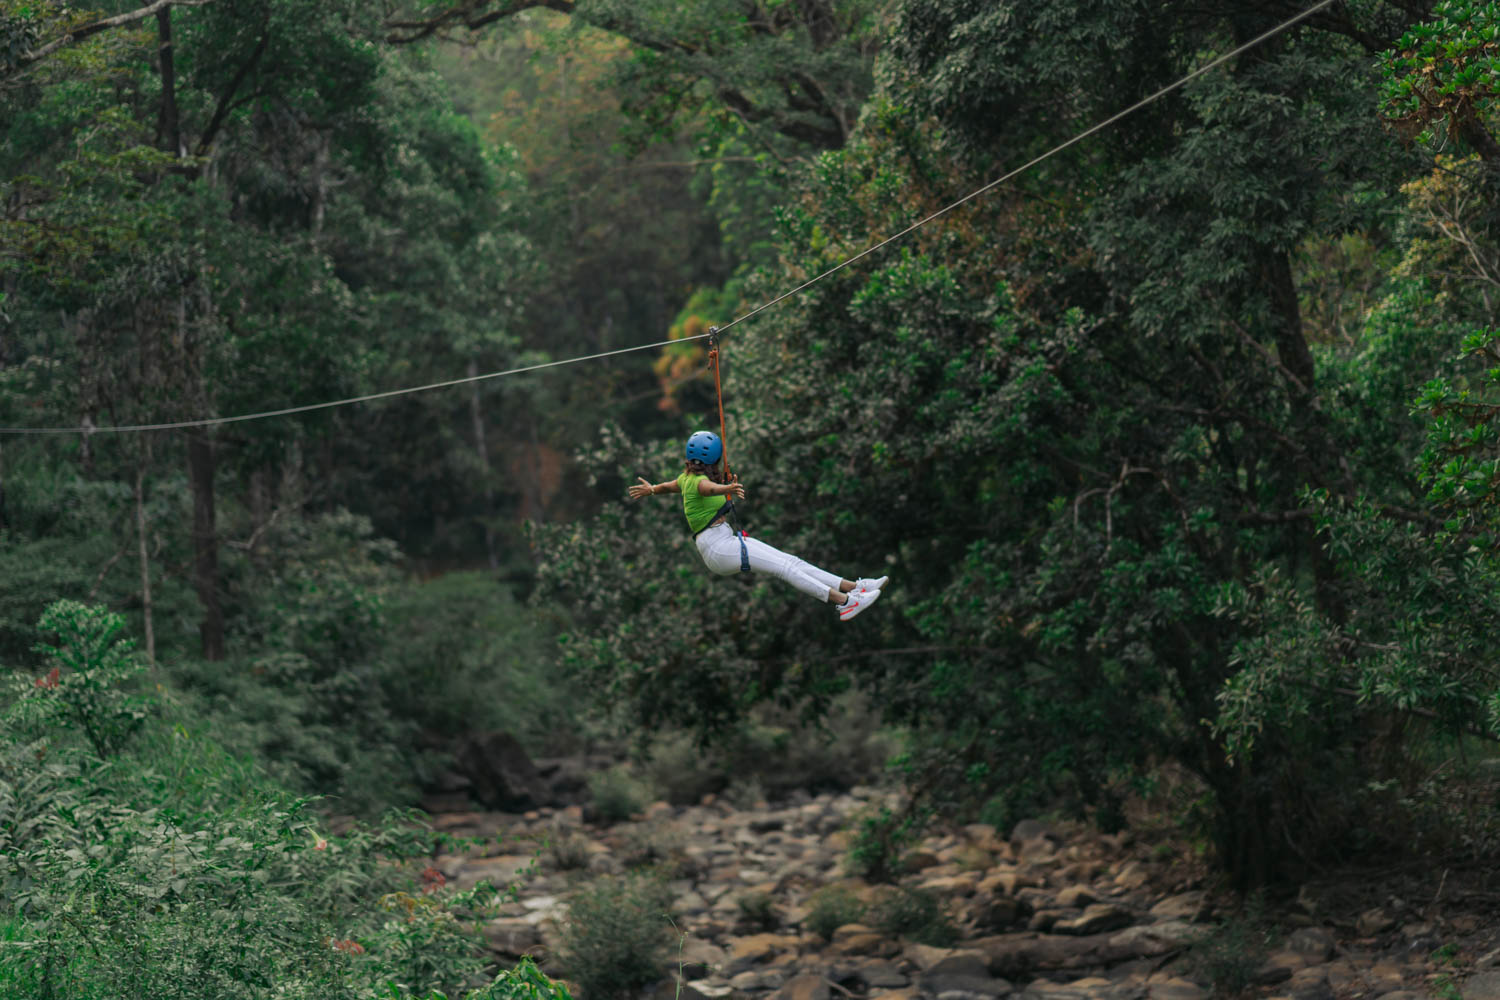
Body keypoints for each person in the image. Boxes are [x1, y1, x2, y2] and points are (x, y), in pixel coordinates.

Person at [628, 431, 887, 620]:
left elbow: (668, 487)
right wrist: (727, 487)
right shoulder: (698, 482)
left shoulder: (685, 478)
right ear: (715, 459)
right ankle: (845, 603)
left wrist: (652, 490)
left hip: (723, 541)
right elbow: (709, 489)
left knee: (791, 561)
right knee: (785, 568)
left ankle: (854, 587)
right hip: (717, 546)